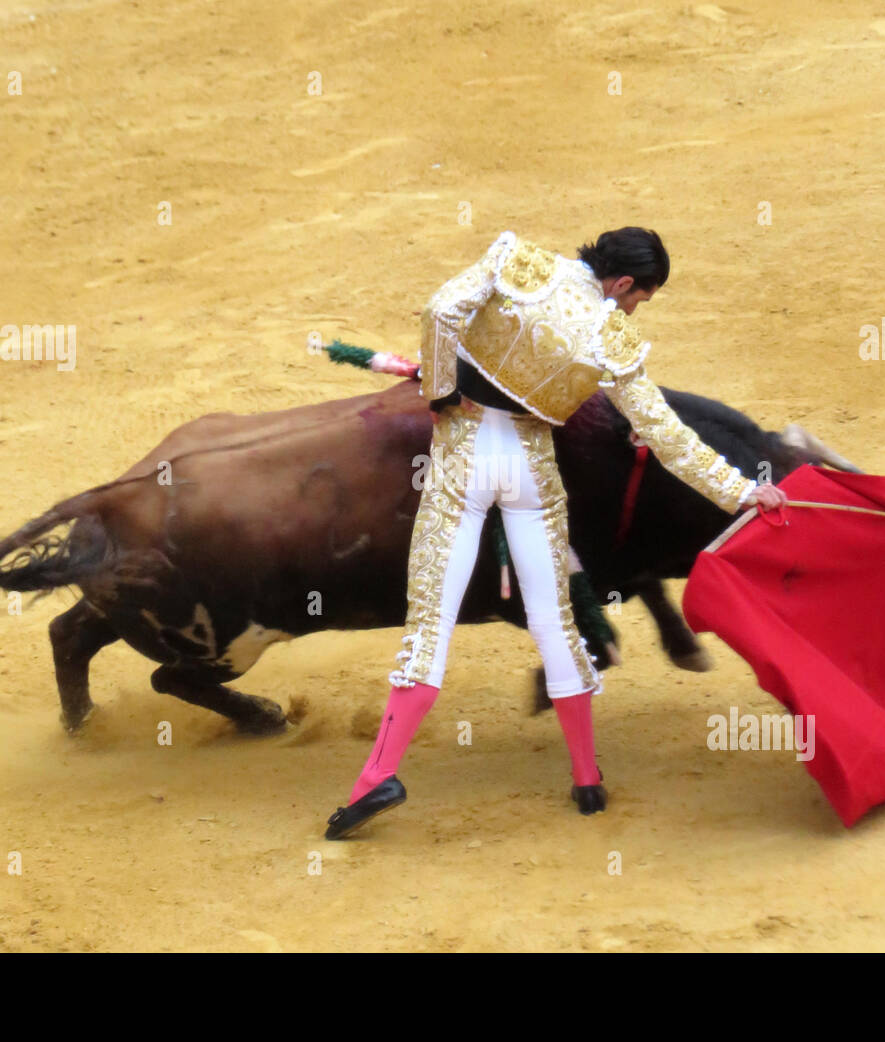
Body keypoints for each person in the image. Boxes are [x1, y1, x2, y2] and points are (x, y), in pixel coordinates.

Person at [324, 228, 788, 839]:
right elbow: (666, 434)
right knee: (555, 622)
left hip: (464, 458)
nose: (631, 310)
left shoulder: (518, 262)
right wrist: (739, 491)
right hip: (530, 468)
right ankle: (587, 778)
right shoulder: (612, 337)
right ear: (621, 283)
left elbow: (441, 310)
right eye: (637, 299)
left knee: (431, 621)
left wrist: (441, 392)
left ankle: (377, 775)